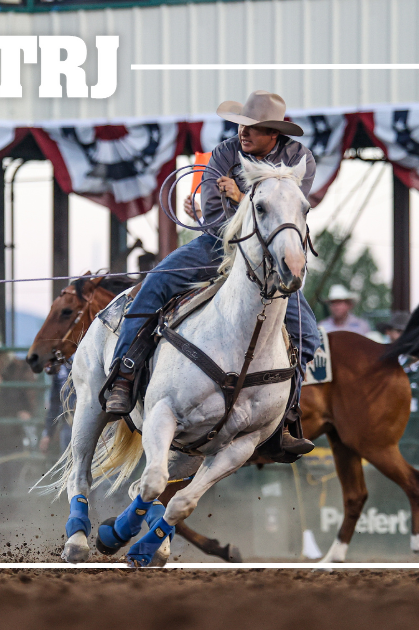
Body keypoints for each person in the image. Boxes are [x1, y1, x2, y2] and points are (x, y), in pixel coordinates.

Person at [103, 90, 318, 457]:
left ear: (274, 134)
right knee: (154, 284)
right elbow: (213, 215)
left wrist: (241, 197)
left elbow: (289, 213)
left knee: (308, 337)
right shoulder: (222, 154)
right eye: (241, 124)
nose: (243, 132)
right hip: (219, 245)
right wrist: (237, 205)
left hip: (269, 258)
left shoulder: (301, 161)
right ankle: (123, 375)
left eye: (253, 127)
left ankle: (284, 418)